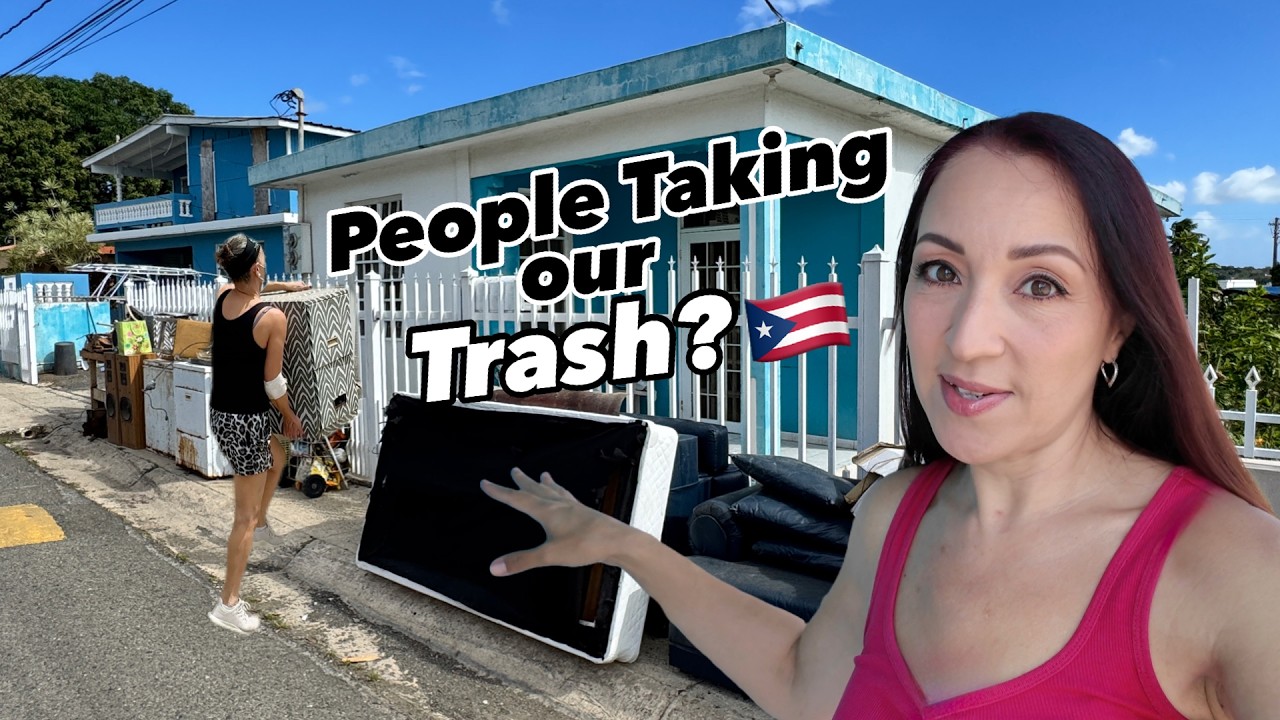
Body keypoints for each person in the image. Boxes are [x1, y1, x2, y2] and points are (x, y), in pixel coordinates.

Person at [480, 113, 1280, 718]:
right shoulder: (897, 510)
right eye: (941, 270)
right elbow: (806, 680)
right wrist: (626, 547)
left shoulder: (1235, 572)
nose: (967, 340)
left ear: (1121, 323)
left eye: (1041, 284)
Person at [207, 233, 307, 635]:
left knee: (277, 456)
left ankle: (263, 523)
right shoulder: (272, 318)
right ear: (256, 270)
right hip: (247, 419)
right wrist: (291, 415)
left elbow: (245, 289)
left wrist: (286, 287)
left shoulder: (221, 296)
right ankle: (227, 604)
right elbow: (274, 383)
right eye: (264, 262)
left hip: (222, 413)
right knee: (241, 519)